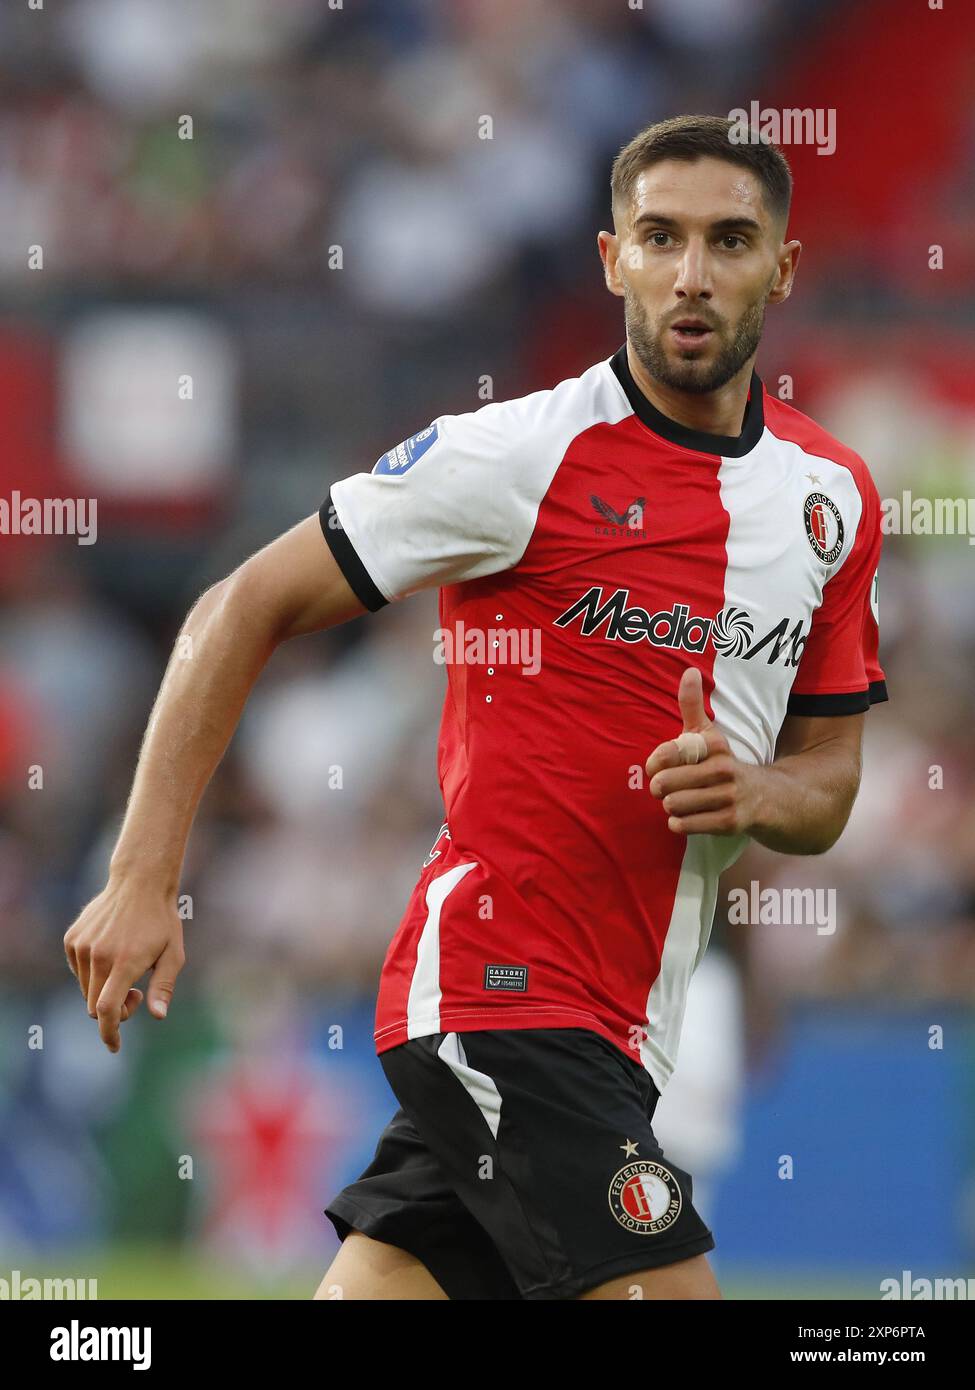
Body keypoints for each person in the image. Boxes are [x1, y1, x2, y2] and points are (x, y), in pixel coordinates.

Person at [64, 114, 887, 1300]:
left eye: (729, 240)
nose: (692, 275)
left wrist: (760, 789)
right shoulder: (517, 456)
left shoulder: (831, 503)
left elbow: (831, 783)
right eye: (659, 238)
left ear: (785, 268)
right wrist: (144, 873)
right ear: (613, 260)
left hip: (625, 1028)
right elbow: (238, 605)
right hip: (504, 995)